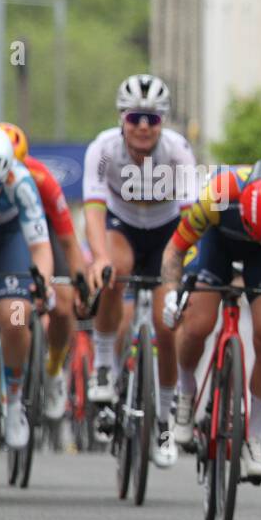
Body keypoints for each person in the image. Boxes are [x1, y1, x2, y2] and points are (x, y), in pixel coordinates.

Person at [160, 159, 261, 480]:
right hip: (217, 243)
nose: (259, 239)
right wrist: (172, 293)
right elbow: (175, 251)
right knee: (197, 323)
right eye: (256, 233)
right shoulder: (218, 195)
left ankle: (256, 437)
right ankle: (186, 393)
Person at [82, 73, 197, 464]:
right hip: (122, 225)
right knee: (116, 270)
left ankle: (163, 418)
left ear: (163, 122)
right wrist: (98, 259)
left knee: (168, 325)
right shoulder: (103, 149)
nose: (144, 127)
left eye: (152, 118)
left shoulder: (179, 152)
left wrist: (184, 273)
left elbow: (190, 220)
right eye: (135, 118)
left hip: (167, 230)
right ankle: (102, 367)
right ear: (121, 119)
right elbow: (94, 211)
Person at [0, 122, 91, 419]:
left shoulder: (40, 179)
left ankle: (52, 371)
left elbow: (67, 239)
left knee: (63, 305)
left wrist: (80, 282)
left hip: (40, 233)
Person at [0, 124, 50, 448]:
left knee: (17, 318)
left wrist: (41, 285)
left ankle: (15, 396)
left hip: (8, 241)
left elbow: (41, 247)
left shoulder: (21, 182)